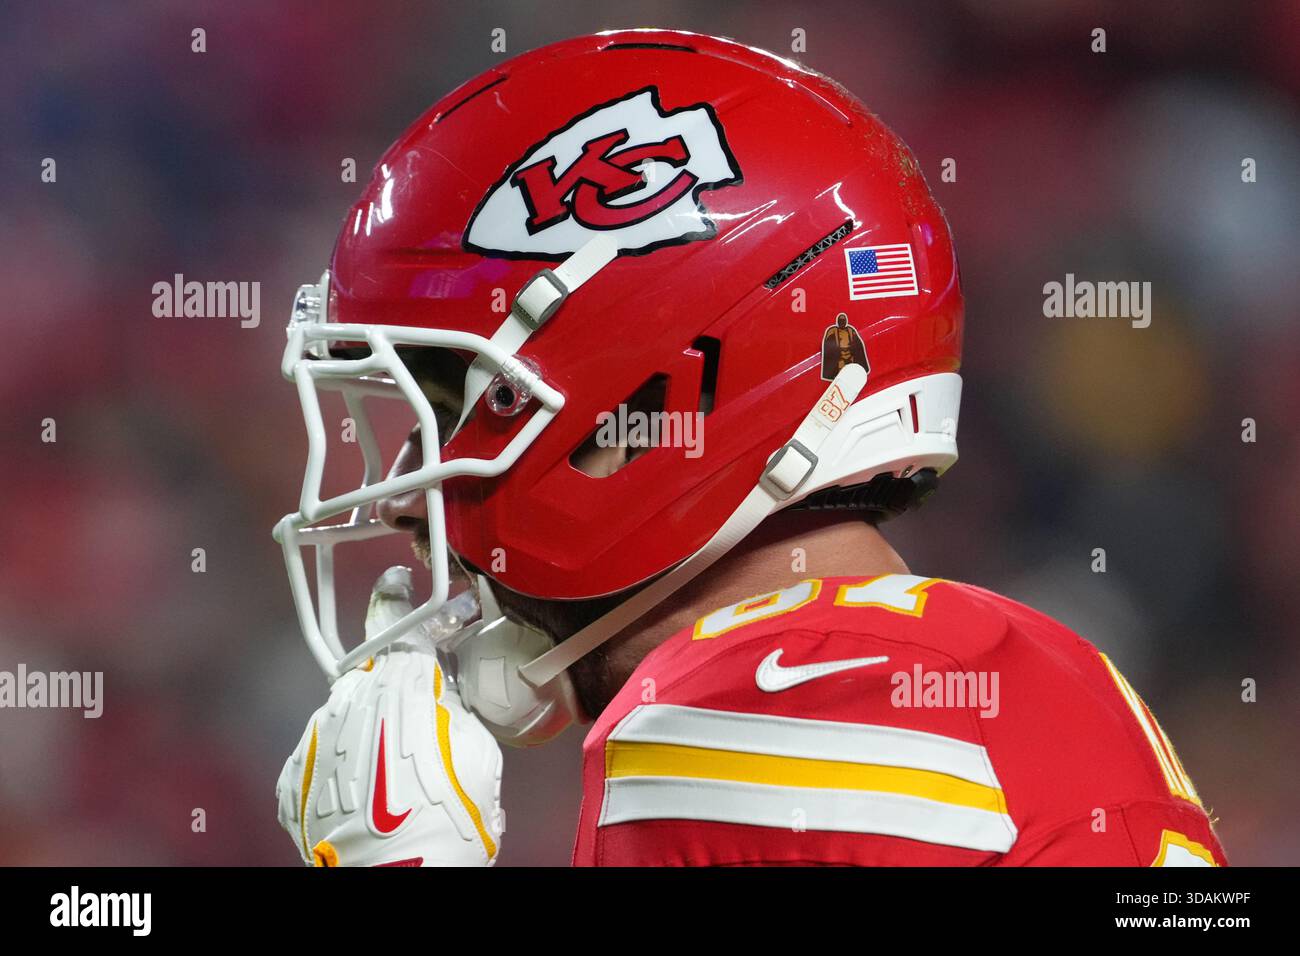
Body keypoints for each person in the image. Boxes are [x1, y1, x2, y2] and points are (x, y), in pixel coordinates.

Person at [273, 29, 1226, 867]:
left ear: (648, 406)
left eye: (450, 409)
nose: (401, 495)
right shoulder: (1055, 664)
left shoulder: (716, 723)